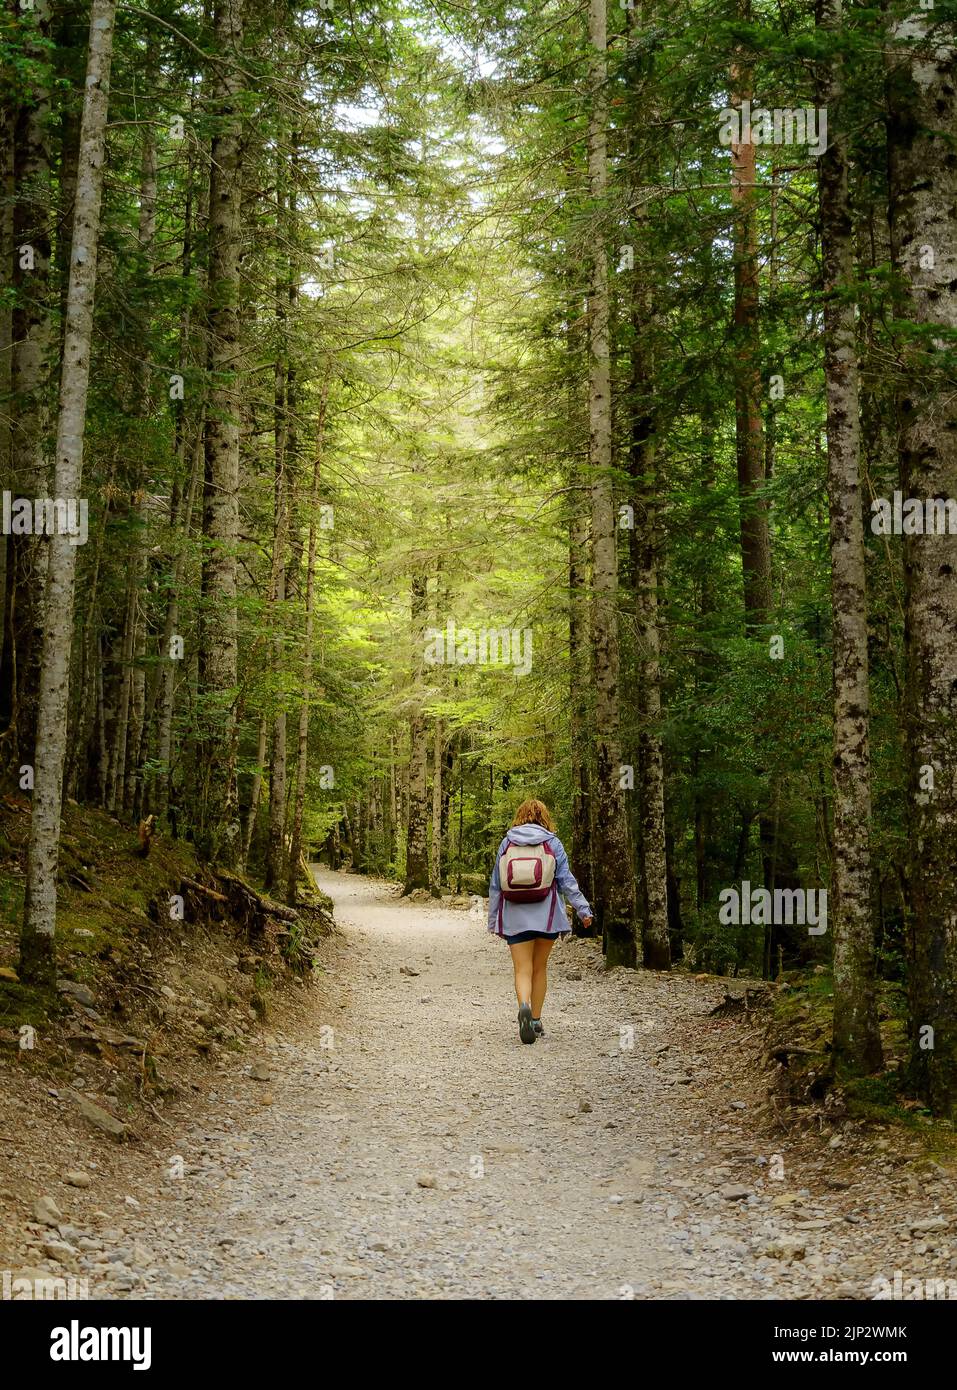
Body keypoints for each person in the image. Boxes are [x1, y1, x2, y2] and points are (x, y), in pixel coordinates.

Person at [487, 798, 593, 1044]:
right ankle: (535, 1020)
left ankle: (523, 1005)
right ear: (545, 818)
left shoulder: (507, 842)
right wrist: (583, 910)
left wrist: (493, 920)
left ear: (519, 816)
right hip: (547, 916)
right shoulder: (552, 843)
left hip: (515, 916)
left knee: (522, 969)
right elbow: (567, 881)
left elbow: (496, 885)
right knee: (539, 968)